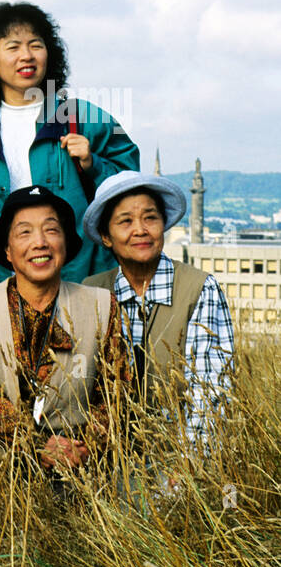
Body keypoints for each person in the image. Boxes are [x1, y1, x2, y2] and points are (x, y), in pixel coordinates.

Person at [0, 2, 140, 307]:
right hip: (2, 295)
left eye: (36, 44)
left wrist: (93, 164)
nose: (26, 55)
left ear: (50, 54)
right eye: (12, 46)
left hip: (85, 287)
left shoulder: (88, 118)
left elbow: (134, 191)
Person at [0, 186, 131, 471]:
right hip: (1, 476)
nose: (40, 242)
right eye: (25, 232)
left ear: (66, 244)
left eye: (51, 230)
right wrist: (37, 446)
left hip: (82, 473)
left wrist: (84, 448)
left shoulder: (101, 305)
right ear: (7, 251)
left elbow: (116, 394)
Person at [81, 171, 234, 450]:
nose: (140, 229)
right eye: (125, 221)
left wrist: (189, 466)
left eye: (150, 218)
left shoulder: (199, 288)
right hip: (105, 461)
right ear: (106, 236)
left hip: (179, 461)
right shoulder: (92, 292)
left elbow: (210, 392)